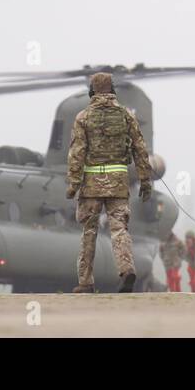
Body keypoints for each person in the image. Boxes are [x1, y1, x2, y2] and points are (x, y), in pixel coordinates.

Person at [66, 71, 153, 293]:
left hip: (92, 185)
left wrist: (73, 183)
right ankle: (126, 270)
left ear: (91, 91)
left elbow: (77, 152)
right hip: (118, 183)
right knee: (119, 229)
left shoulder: (83, 117)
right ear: (112, 90)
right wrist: (145, 181)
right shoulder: (126, 115)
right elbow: (140, 150)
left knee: (89, 232)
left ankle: (86, 283)